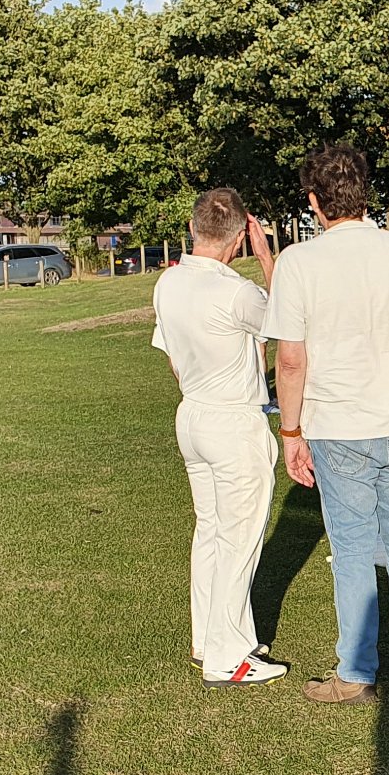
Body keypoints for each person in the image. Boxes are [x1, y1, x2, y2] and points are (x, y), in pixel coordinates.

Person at [261, 146, 389, 705]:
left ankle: (356, 672)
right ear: (366, 194)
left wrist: (291, 434)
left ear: (313, 202)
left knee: (352, 547)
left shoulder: (300, 262)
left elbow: (291, 360)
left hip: (336, 426)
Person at [152, 188, 284, 686]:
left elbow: (170, 356)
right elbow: (289, 323)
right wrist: (269, 258)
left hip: (193, 414)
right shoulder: (237, 291)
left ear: (193, 227)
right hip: (233, 421)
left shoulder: (168, 284)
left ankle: (210, 636)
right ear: (241, 236)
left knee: (210, 530)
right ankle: (228, 656)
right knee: (239, 538)